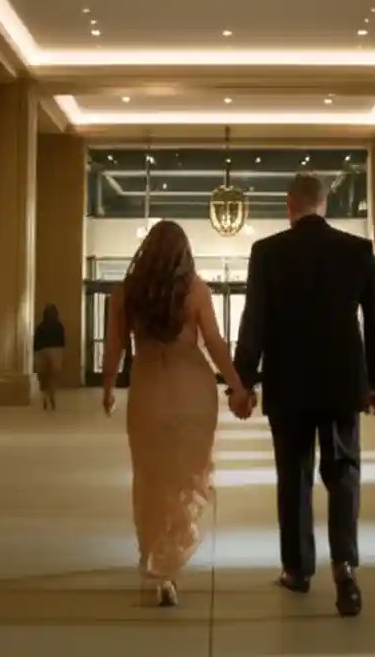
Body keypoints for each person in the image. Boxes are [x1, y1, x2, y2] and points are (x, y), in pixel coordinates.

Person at [232, 173, 375, 618]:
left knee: (294, 475)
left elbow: (255, 320)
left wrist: (244, 380)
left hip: (289, 384)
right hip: (342, 383)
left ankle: (298, 570)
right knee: (343, 472)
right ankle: (345, 567)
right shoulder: (357, 251)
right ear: (325, 204)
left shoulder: (268, 253)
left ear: (290, 205)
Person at [102, 220, 251, 608]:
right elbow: (215, 343)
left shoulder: (125, 294)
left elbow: (114, 350)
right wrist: (237, 385)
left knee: (150, 479)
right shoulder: (196, 291)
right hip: (193, 395)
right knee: (185, 477)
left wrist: (107, 391)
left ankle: (155, 564)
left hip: (149, 391)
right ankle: (168, 561)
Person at [32, 304, 66, 411]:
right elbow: (62, 341)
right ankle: (51, 393)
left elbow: (36, 342)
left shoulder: (41, 326)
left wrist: (36, 352)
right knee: (53, 376)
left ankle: (45, 395)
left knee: (43, 376)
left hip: (42, 351)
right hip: (56, 351)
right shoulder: (59, 326)